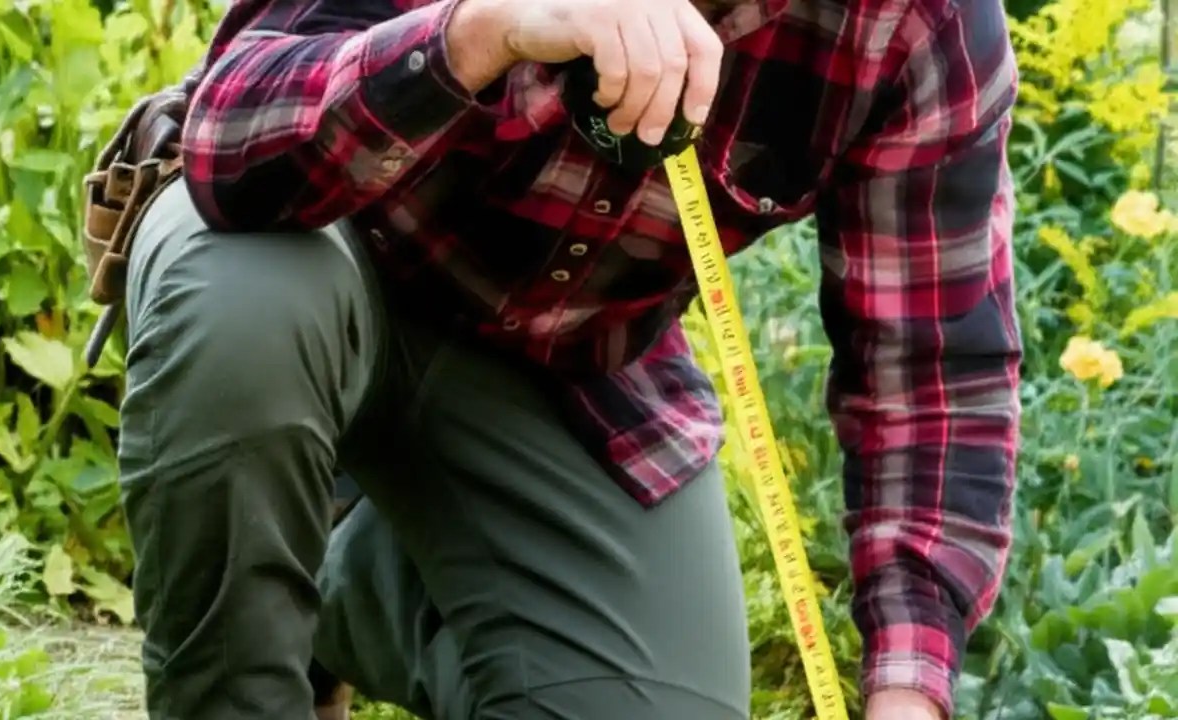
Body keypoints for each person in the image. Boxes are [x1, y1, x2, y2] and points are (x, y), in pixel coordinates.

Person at [109, 0, 1023, 717]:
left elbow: (933, 379)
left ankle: (325, 575)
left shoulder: (920, 24)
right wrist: (487, 29)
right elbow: (229, 133)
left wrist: (907, 694)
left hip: (564, 364)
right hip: (317, 251)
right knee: (235, 304)